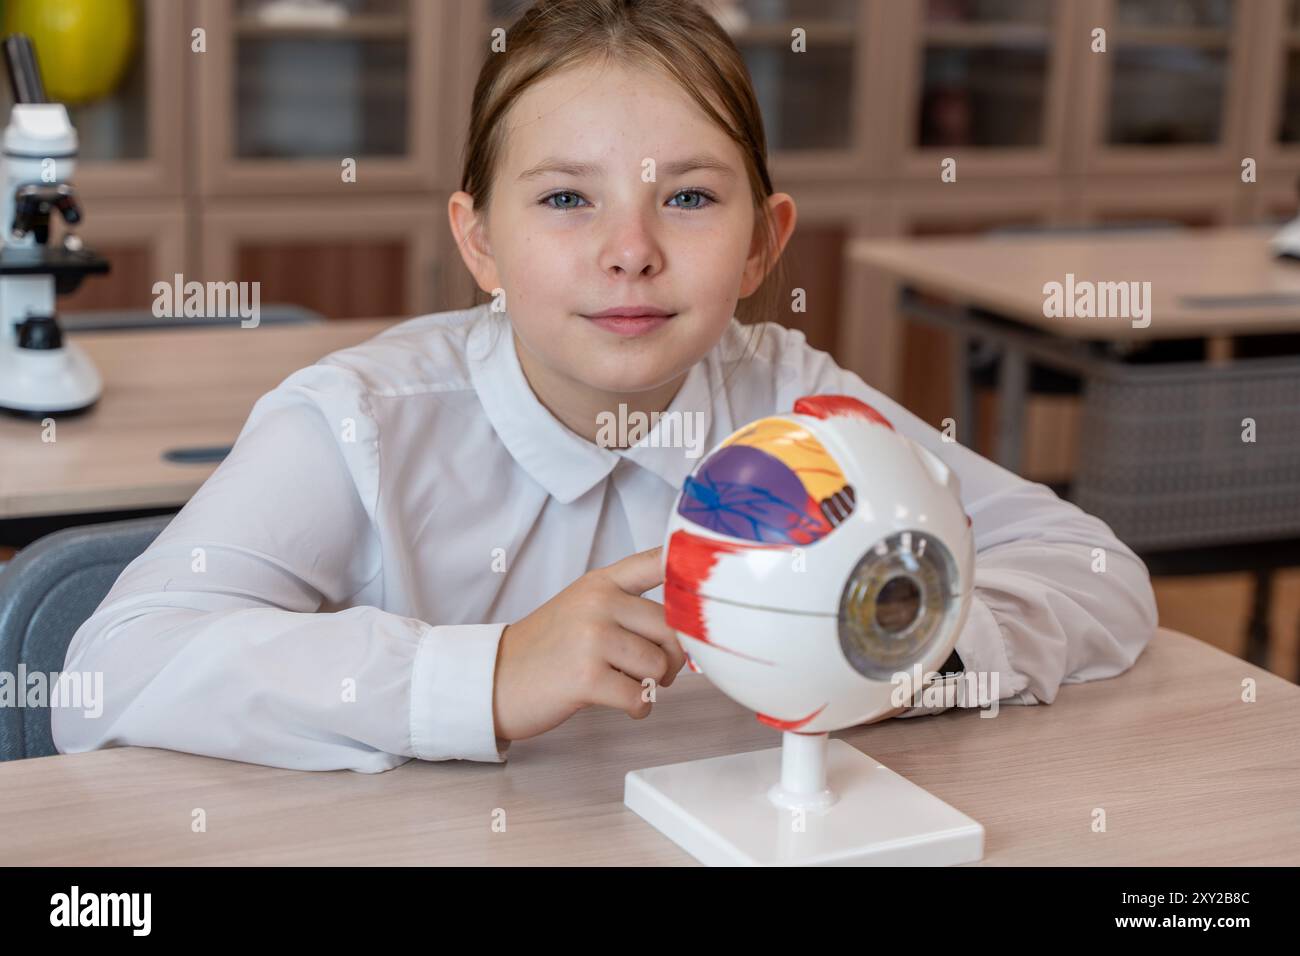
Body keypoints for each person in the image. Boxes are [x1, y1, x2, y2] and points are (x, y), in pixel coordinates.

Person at [52, 0, 1158, 773]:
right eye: (565, 200)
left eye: (686, 199)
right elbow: (108, 672)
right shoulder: (360, 421)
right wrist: (480, 674)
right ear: (478, 239)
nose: (629, 251)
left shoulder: (791, 400)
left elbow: (1094, 568)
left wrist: (904, 646)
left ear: (763, 244)